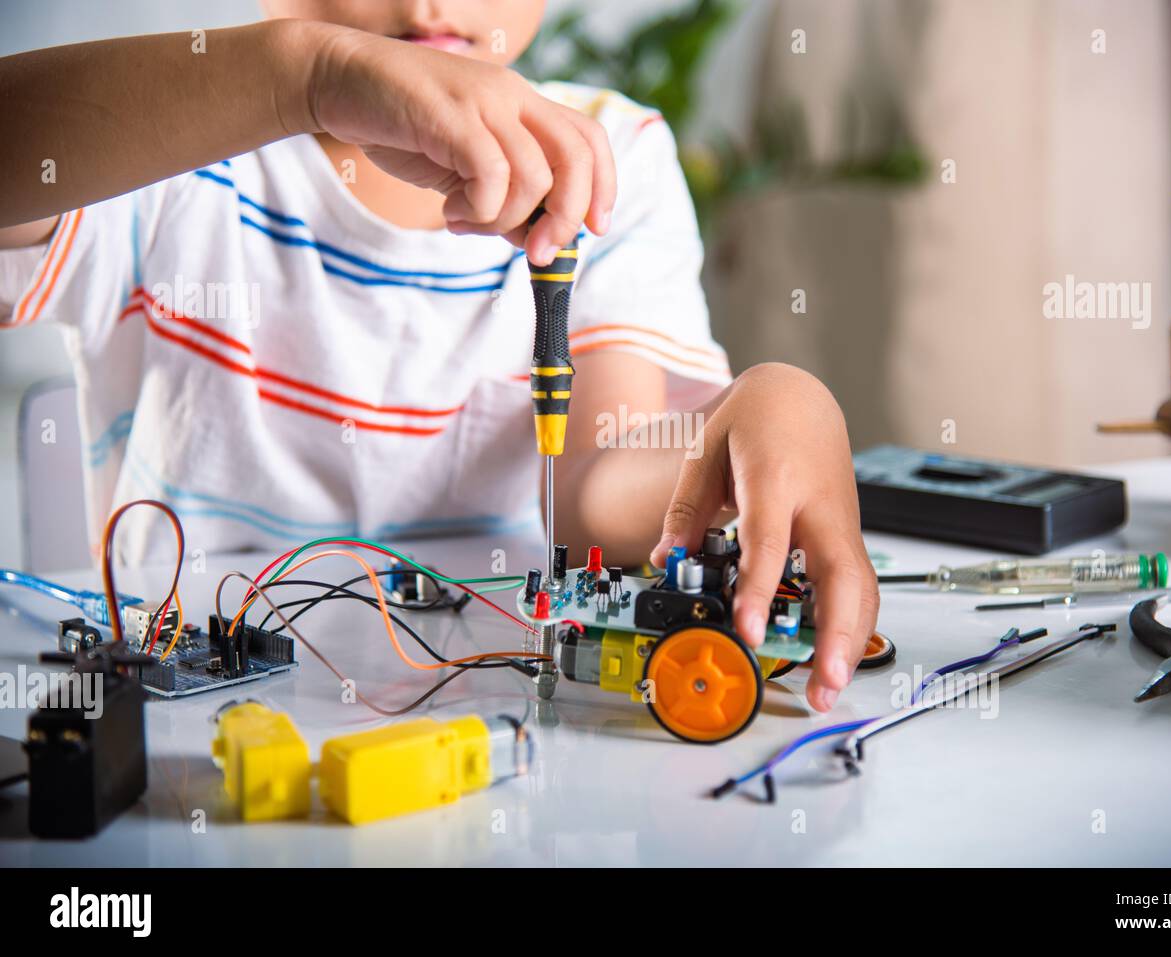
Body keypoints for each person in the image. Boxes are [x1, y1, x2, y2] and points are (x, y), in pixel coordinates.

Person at [0, 1, 878, 711]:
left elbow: (598, 491)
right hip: (197, 724)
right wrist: (302, 75)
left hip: (496, 732)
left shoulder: (612, 156)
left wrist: (759, 409)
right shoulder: (167, 153)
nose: (430, 4)